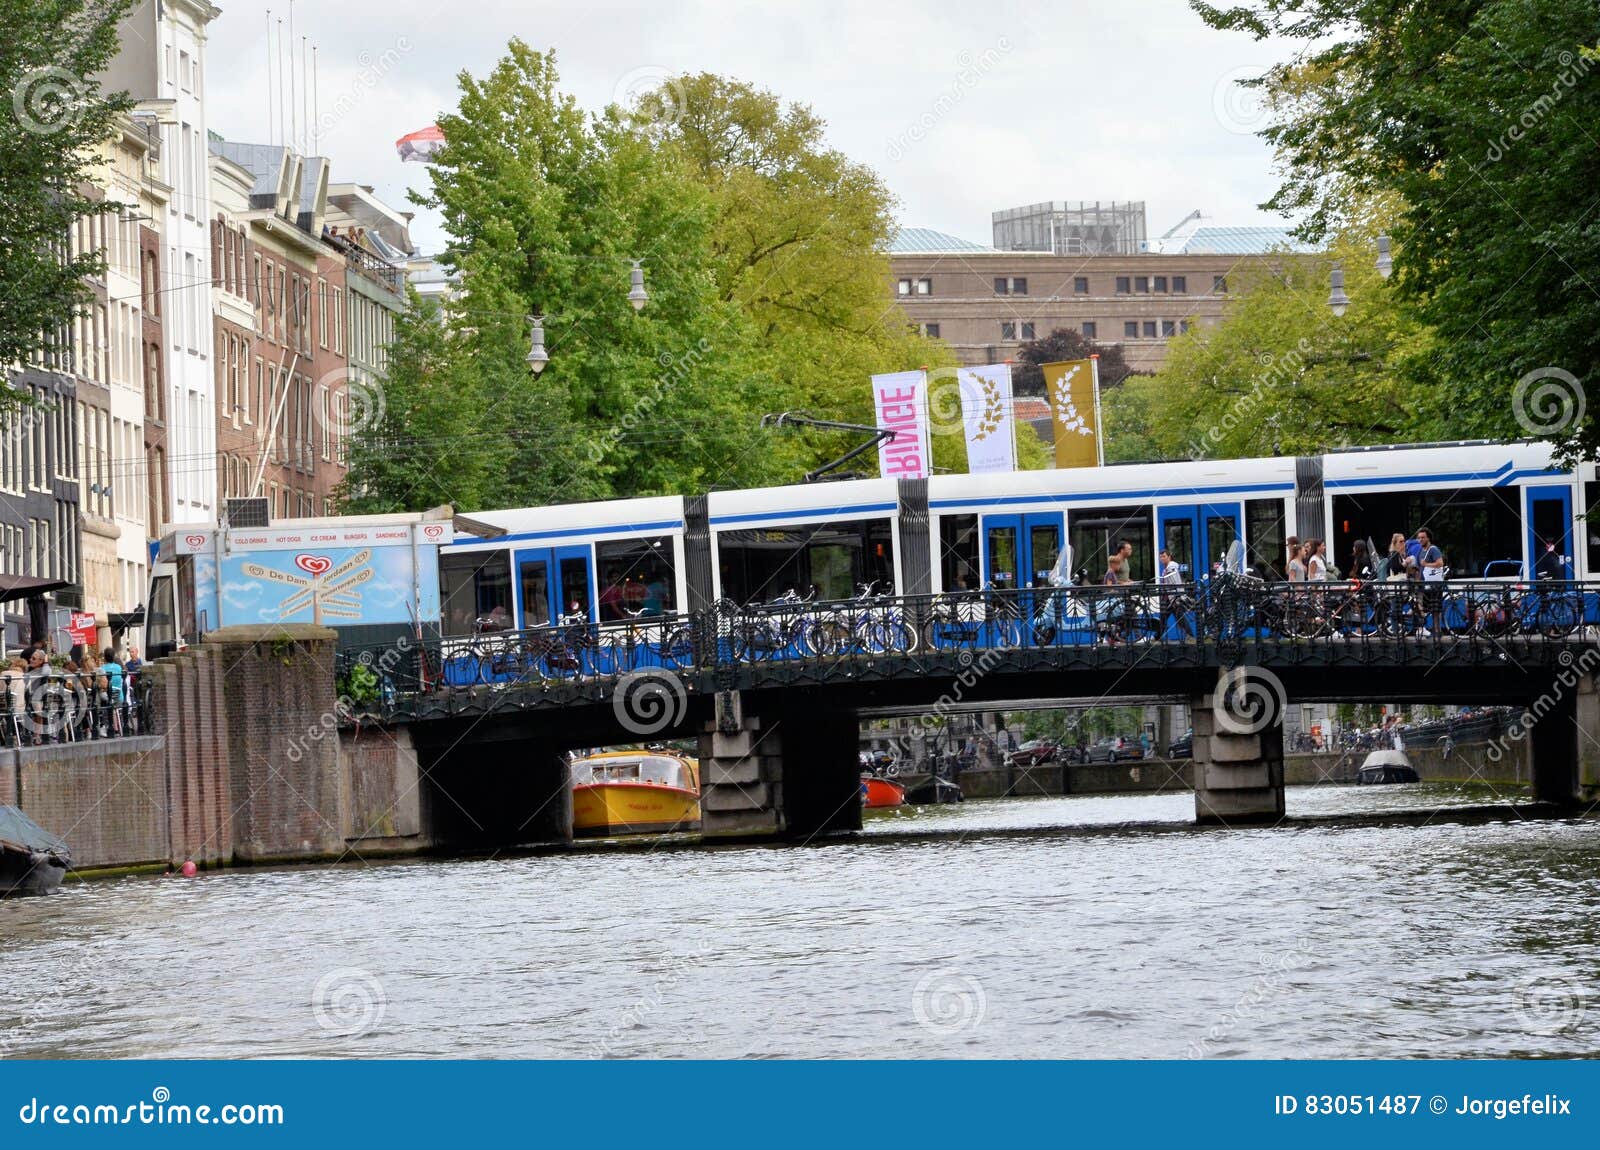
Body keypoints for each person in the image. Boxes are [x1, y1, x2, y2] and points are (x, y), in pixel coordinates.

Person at [1157, 547, 1192, 638]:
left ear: (1169, 557)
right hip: (1169, 598)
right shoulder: (1166, 569)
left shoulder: (1171, 568)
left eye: (1164, 556)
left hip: (1173, 597)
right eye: (1161, 557)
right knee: (1166, 617)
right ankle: (1157, 636)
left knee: (1176, 618)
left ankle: (1190, 635)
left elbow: (1175, 582)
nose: (1162, 559)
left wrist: (1178, 596)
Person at [1416, 527, 1445, 634]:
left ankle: (1437, 630)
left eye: (1423, 537)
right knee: (1428, 607)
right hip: (1426, 584)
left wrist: (1426, 564)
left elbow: (1440, 563)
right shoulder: (1421, 551)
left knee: (1435, 607)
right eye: (1419, 538)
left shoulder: (1433, 549)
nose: (1420, 540)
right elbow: (1420, 568)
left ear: (1428, 538)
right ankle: (1431, 628)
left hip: (1435, 583)